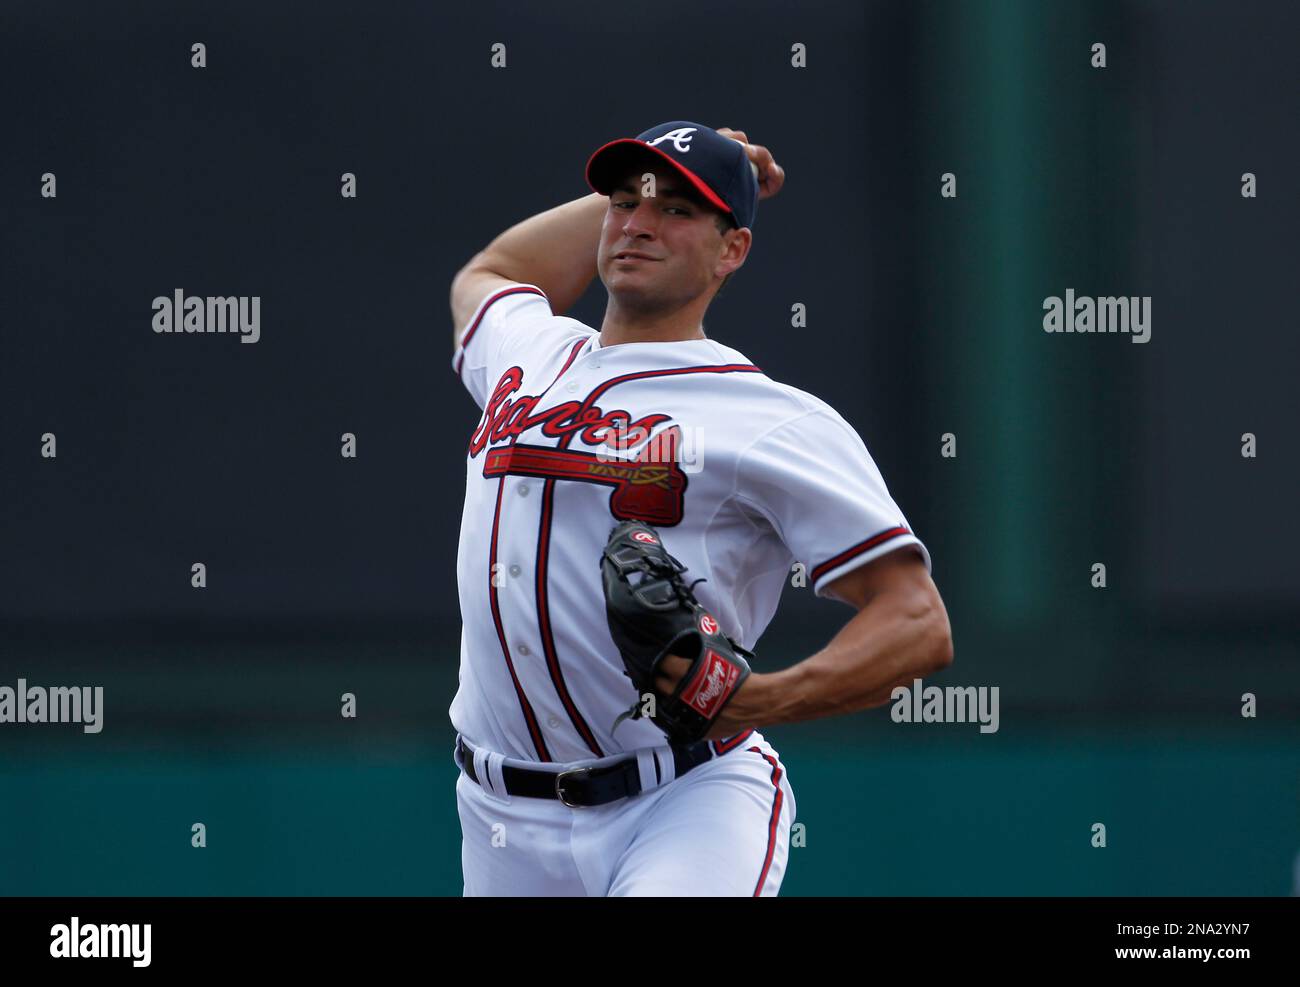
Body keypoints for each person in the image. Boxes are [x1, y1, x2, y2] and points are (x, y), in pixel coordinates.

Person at [448, 121, 953, 896]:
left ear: (733, 250)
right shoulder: (529, 352)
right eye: (624, 203)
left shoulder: (769, 417)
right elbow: (496, 268)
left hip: (683, 798)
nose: (640, 223)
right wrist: (664, 180)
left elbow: (916, 620)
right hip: (499, 817)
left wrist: (767, 698)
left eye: (680, 212)